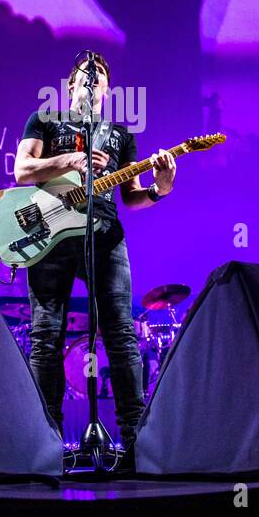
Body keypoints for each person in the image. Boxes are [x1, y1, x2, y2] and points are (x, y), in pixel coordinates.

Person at [14, 53, 177, 456]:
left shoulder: (121, 135)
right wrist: (70, 159)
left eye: (99, 76)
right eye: (85, 75)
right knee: (45, 336)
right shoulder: (45, 119)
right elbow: (22, 170)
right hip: (49, 236)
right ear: (71, 85)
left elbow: (132, 196)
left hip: (103, 235)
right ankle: (45, 445)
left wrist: (160, 188)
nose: (91, 79)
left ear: (107, 90)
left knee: (121, 334)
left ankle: (137, 446)